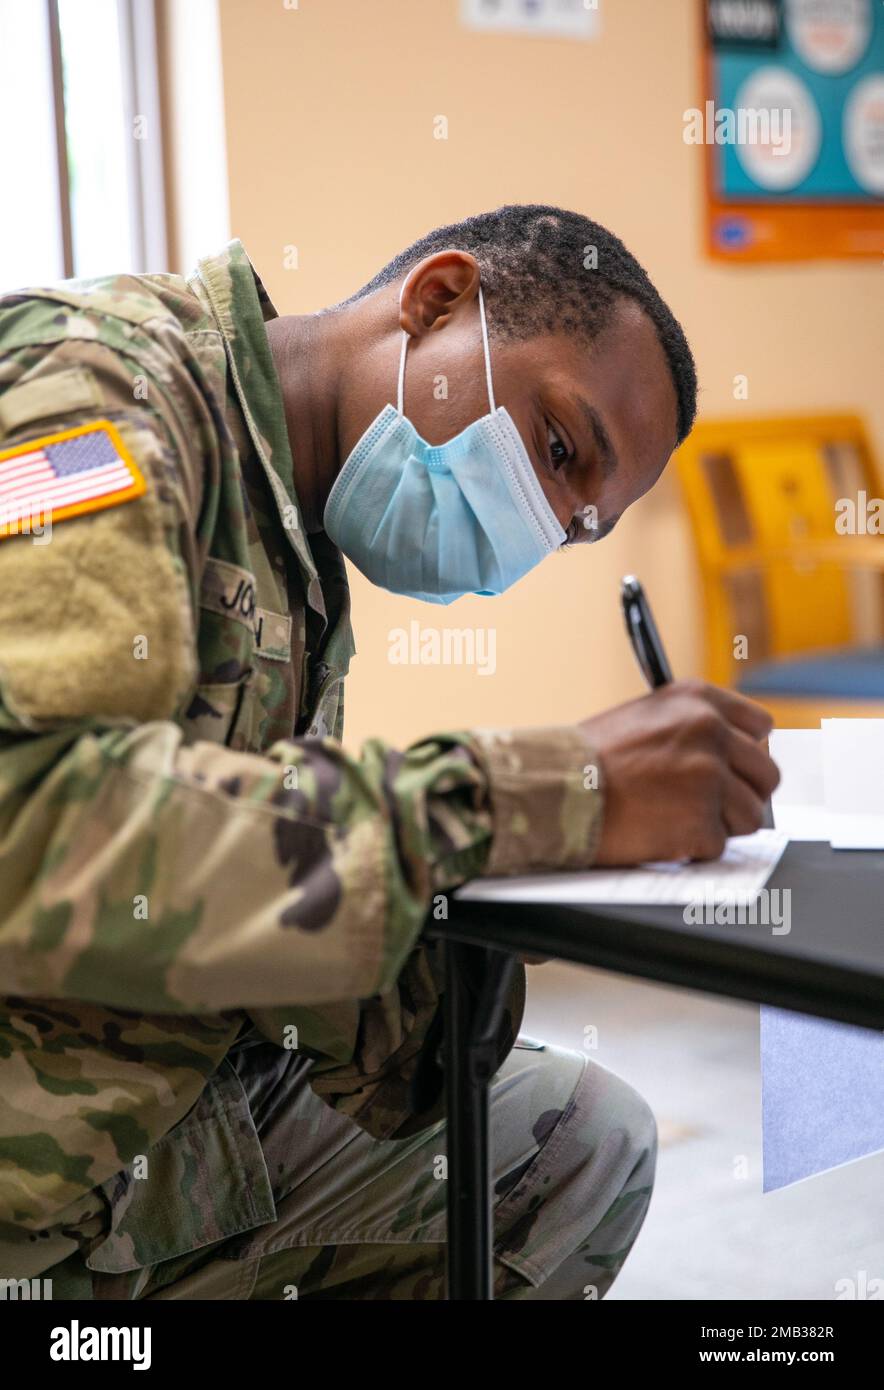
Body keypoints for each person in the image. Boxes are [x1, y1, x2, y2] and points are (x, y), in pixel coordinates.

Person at [0, 204, 778, 1300]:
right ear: (437, 300)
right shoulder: (93, 397)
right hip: (27, 1193)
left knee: (571, 1140)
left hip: (166, 1139)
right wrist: (522, 797)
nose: (545, 524)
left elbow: (354, 1038)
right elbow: (35, 821)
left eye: (579, 524)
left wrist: (519, 890)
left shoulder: (302, 559)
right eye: (559, 450)